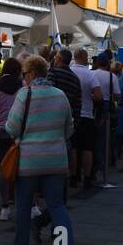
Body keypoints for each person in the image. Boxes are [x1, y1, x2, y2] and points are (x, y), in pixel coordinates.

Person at [0, 55, 78, 245]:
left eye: (25, 74)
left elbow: (12, 127)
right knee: (57, 206)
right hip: (56, 161)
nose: (24, 78)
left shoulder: (25, 94)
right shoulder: (60, 95)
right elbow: (69, 128)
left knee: (23, 206)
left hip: (29, 162)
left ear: (32, 74)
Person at [0, 57, 23, 220]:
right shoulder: (22, 87)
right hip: (17, 132)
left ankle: (5, 208)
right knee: (21, 169)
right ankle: (27, 205)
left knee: (3, 169)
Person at [47, 48, 82, 180]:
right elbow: (78, 104)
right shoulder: (75, 79)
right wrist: (75, 124)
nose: (54, 59)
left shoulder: (53, 72)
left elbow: (48, 93)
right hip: (66, 121)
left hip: (51, 119)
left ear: (60, 60)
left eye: (55, 57)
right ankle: (63, 179)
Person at [69, 47, 102, 188]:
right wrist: (90, 98)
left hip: (71, 115)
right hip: (87, 114)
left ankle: (73, 176)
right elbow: (99, 96)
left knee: (74, 147)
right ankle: (87, 177)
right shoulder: (90, 75)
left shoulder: (69, 71)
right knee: (88, 148)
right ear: (85, 58)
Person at [90, 53, 119, 182]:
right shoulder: (112, 76)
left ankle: (92, 168)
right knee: (105, 138)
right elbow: (117, 95)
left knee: (92, 139)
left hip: (92, 106)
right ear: (107, 63)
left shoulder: (91, 74)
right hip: (106, 107)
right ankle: (104, 163)